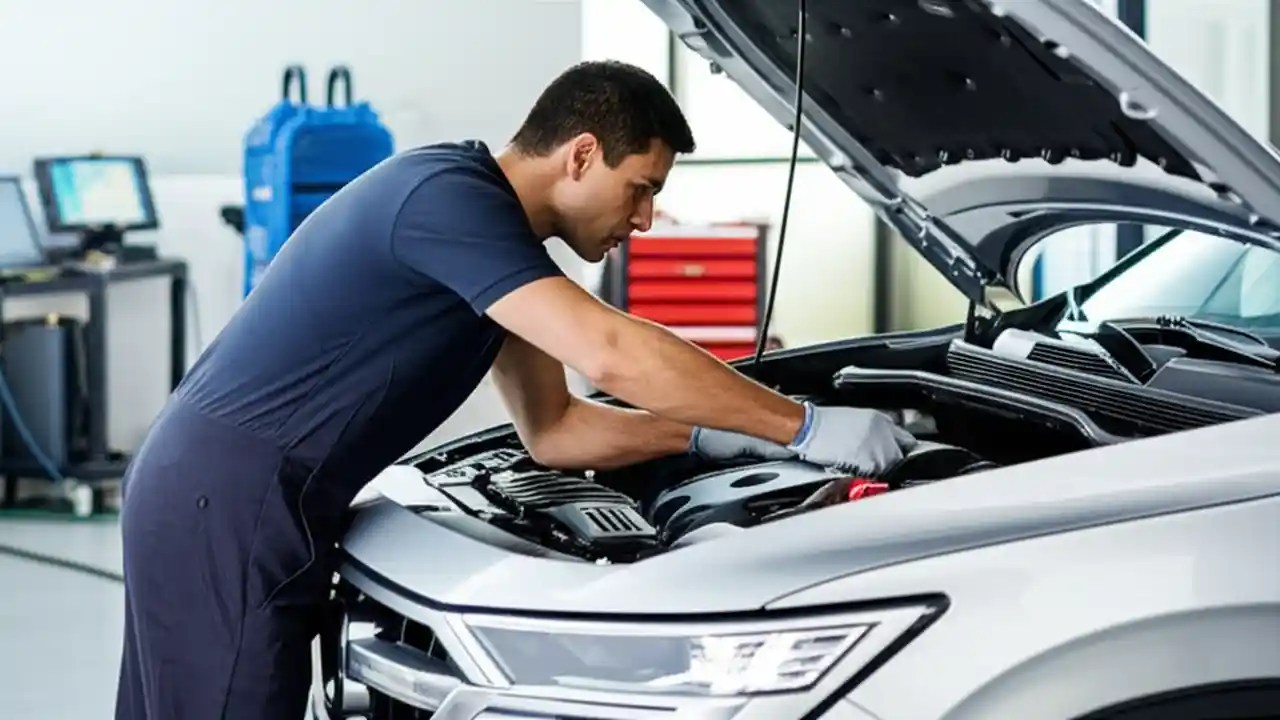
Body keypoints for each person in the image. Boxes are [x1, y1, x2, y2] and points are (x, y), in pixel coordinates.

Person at [113, 59, 916, 719]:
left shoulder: (492, 248)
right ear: (581, 155)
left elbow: (557, 430)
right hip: (228, 503)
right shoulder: (446, 199)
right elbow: (609, 352)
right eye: (640, 187)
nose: (644, 219)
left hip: (216, 492)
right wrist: (798, 425)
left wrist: (706, 438)